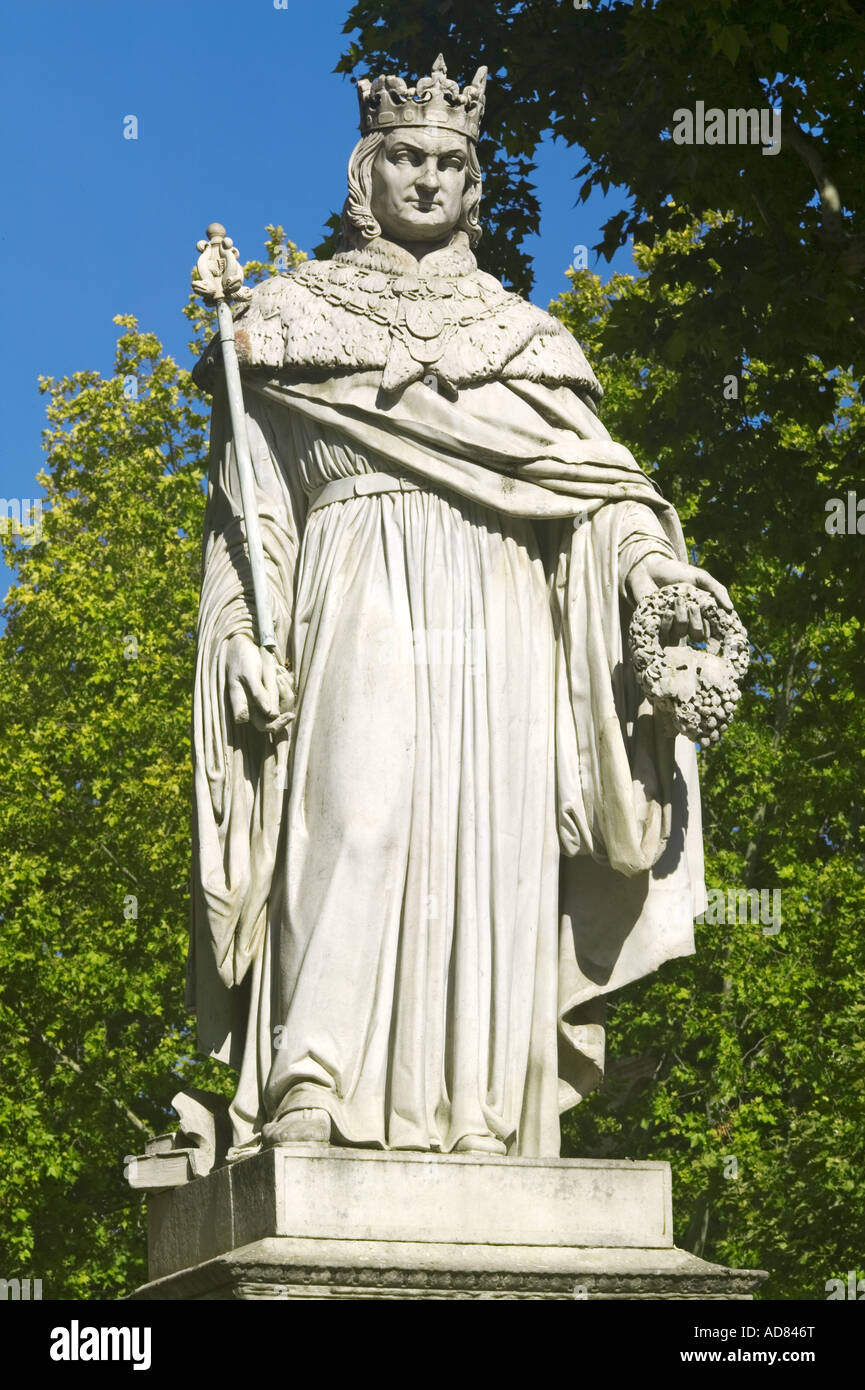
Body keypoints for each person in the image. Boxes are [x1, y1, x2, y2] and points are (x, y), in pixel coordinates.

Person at [188, 56, 729, 1162]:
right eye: (406, 159)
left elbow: (597, 493)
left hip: (499, 610)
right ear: (365, 173)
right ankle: (312, 1080)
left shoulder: (526, 340)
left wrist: (650, 576)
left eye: (451, 162)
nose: (429, 179)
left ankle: (485, 1113)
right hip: (355, 591)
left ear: (472, 181)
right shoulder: (286, 317)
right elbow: (251, 516)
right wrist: (243, 636)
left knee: (490, 850)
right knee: (359, 817)